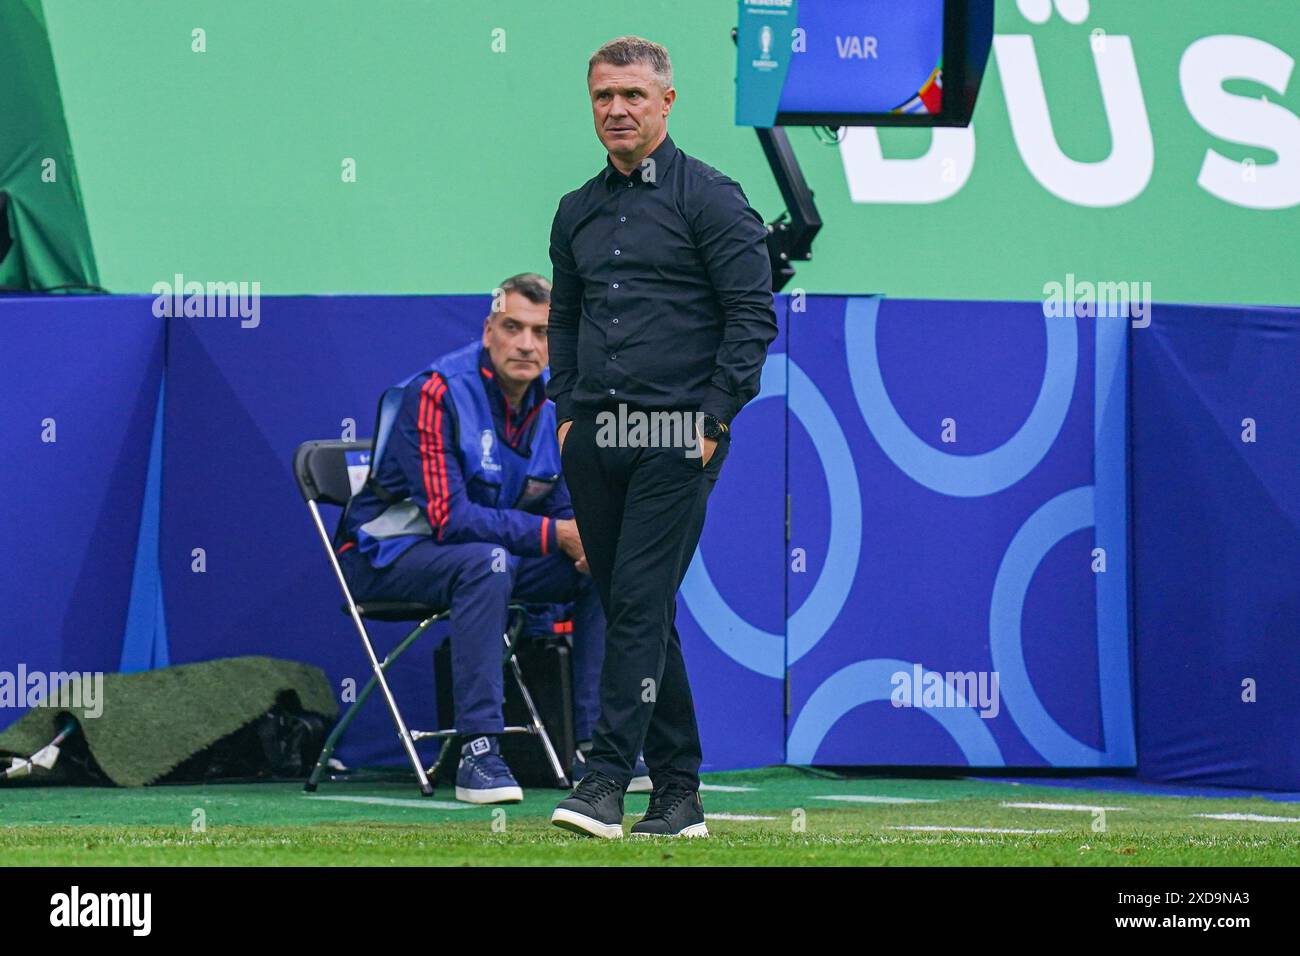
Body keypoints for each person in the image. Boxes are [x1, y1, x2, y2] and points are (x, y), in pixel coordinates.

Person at [546, 37, 778, 838]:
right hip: (594, 436)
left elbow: (753, 318)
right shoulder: (575, 209)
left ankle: (604, 780)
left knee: (638, 604)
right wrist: (566, 415)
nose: (617, 110)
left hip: (679, 434)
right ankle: (679, 796)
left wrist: (712, 423)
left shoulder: (713, 197)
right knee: (639, 609)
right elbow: (567, 319)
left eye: (634, 96)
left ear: (667, 102)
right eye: (604, 96)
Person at [334, 273, 650, 804]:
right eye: (513, 327)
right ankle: (478, 750)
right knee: (489, 562)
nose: (527, 344)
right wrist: (559, 534)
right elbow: (450, 519)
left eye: (542, 332)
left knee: (603, 563)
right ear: (488, 331)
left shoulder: (560, 403)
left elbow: (564, 504)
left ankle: (600, 745)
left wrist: (585, 539)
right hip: (384, 558)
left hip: (489, 558)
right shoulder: (437, 393)